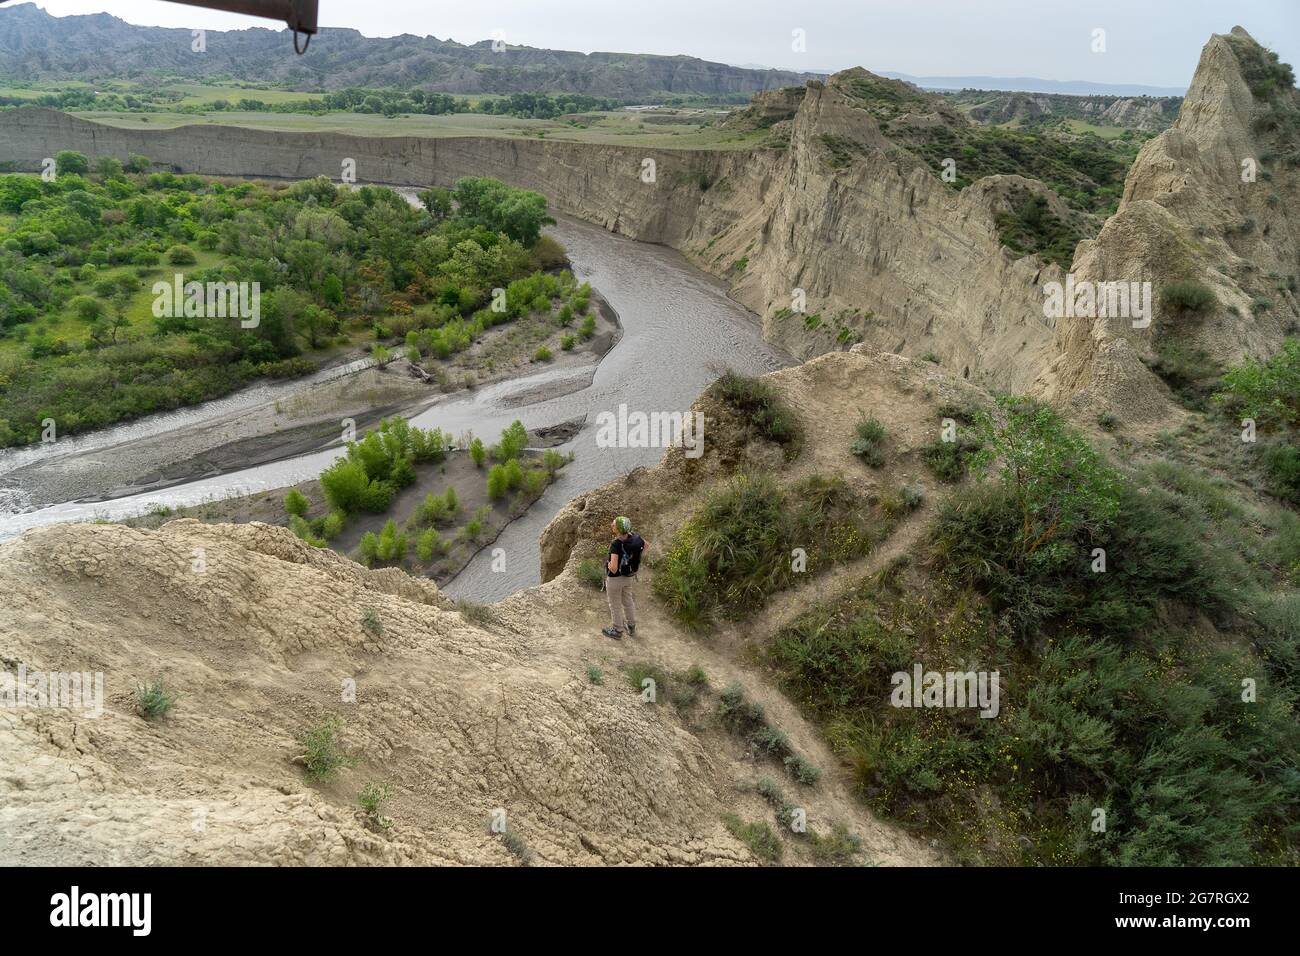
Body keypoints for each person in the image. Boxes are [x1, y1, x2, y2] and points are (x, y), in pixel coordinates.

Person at [602, 516, 646, 639]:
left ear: (619, 529)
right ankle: (631, 626)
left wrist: (609, 563)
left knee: (615, 604)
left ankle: (617, 630)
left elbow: (614, 568)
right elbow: (646, 546)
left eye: (614, 524)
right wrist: (634, 558)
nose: (612, 525)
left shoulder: (615, 544)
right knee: (628, 601)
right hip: (628, 576)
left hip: (615, 579)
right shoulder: (634, 537)